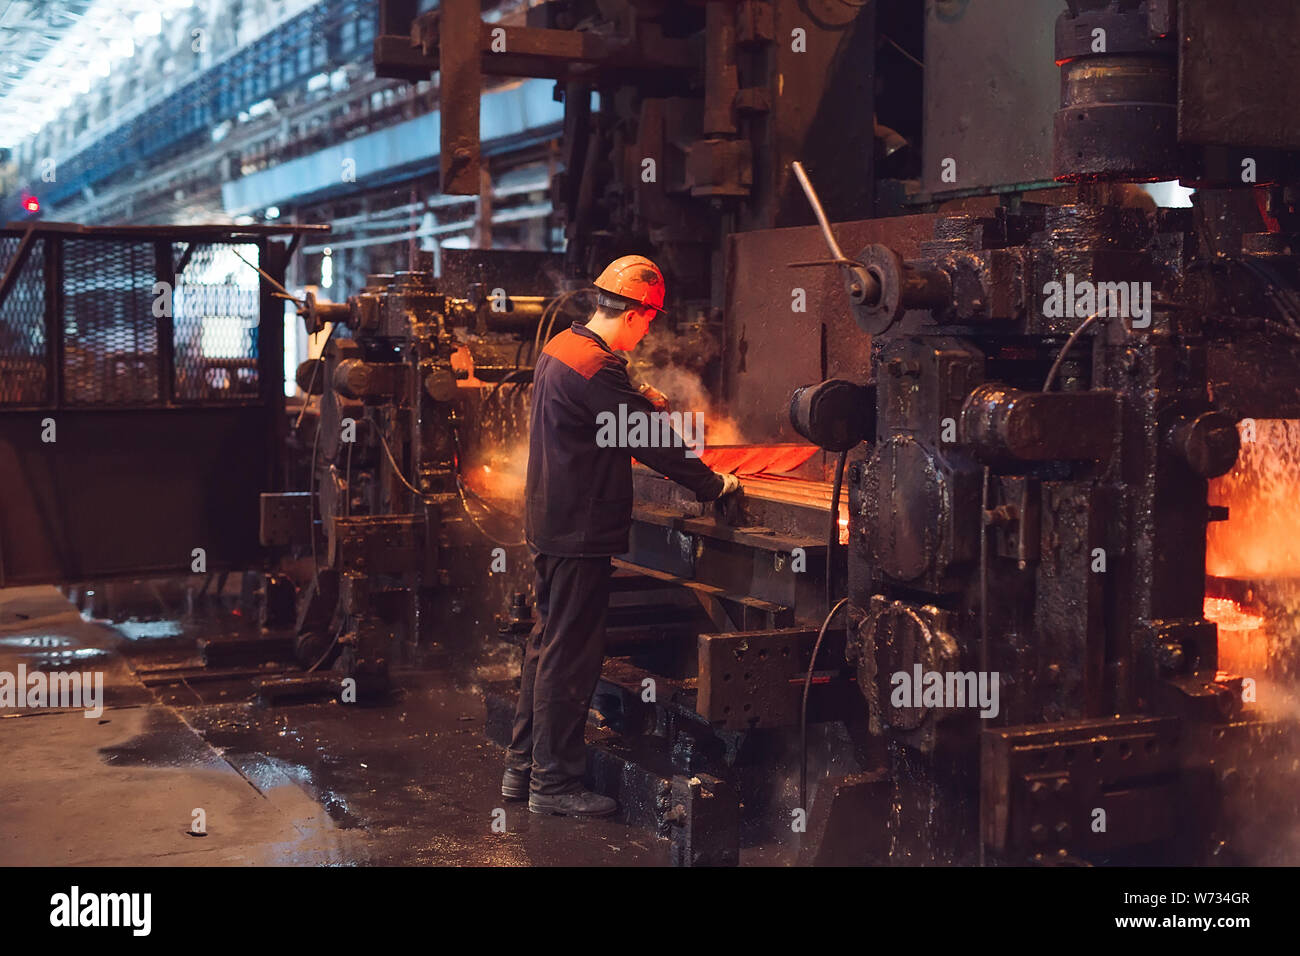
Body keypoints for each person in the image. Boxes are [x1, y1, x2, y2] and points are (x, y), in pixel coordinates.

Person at [503, 254, 741, 817]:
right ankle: (554, 786)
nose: (647, 333)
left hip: (551, 522)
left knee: (546, 646)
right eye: (648, 322)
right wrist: (712, 483)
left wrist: (637, 397)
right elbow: (650, 440)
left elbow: (605, 413)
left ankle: (522, 768)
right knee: (570, 657)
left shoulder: (564, 347)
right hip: (579, 530)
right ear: (635, 314)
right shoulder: (597, 366)